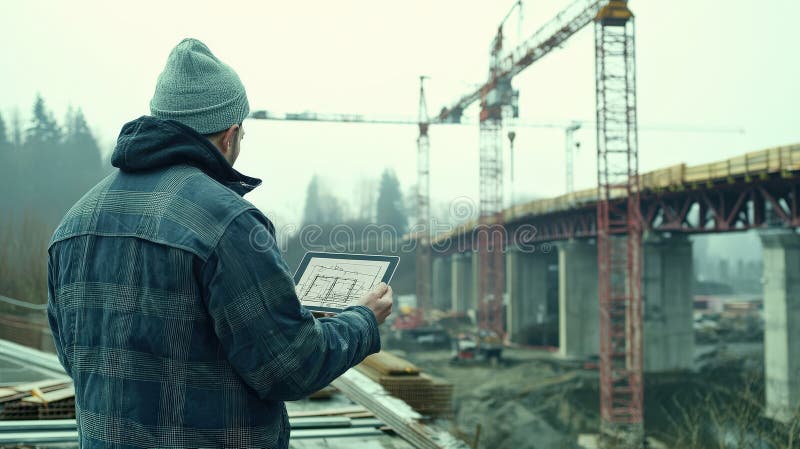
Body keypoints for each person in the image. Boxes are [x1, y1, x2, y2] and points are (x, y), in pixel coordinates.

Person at [46, 38, 393, 448]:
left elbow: (76, 358)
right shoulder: (229, 224)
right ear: (230, 134)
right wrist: (362, 320)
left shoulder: (74, 224)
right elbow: (292, 367)